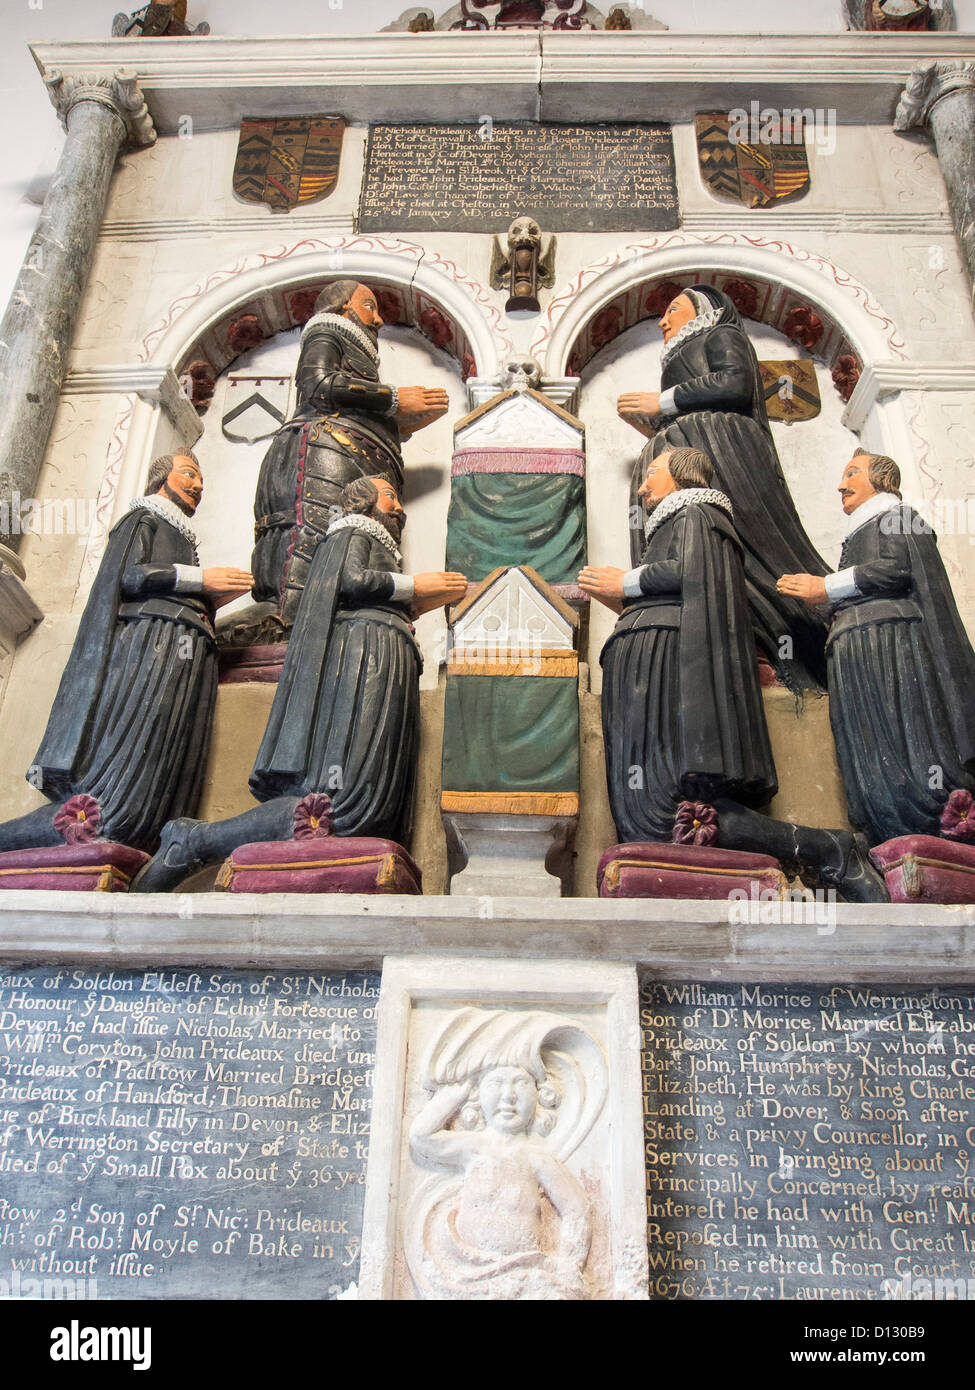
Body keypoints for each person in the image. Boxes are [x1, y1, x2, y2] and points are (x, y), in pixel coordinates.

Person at [580, 447, 886, 902]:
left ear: (682, 477)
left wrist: (625, 582)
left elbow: (692, 574)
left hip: (668, 666)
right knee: (648, 811)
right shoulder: (674, 522)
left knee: (676, 812)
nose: (643, 487)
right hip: (646, 663)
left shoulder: (700, 515)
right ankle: (825, 849)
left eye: (652, 475)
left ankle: (829, 848)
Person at [135, 476, 466, 890]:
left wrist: (414, 602)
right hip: (363, 659)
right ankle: (195, 841)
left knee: (369, 800)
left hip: (384, 659)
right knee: (336, 805)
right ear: (363, 500)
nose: (399, 508)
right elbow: (350, 581)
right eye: (391, 497)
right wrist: (414, 586)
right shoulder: (352, 530)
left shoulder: (377, 541)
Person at [0, 453, 252, 852]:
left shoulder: (181, 535)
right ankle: (92, 817)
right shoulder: (143, 518)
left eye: (201, 478)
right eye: (188, 474)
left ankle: (137, 825)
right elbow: (129, 575)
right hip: (149, 643)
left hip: (183, 649)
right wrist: (200, 579)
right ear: (160, 479)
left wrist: (211, 597)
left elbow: (167, 587)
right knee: (130, 749)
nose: (198, 485)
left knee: (165, 751)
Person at [617, 283, 830, 688]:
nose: (663, 320)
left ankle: (772, 643)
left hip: (724, 446)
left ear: (705, 310)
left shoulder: (720, 334)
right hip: (694, 444)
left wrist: (660, 404)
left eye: (673, 309)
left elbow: (736, 384)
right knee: (680, 549)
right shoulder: (684, 352)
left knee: (737, 545)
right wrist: (657, 426)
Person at [778, 449, 975, 845]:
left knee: (906, 735)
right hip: (857, 650)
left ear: (882, 480)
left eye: (852, 473)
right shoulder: (862, 532)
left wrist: (826, 587)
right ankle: (887, 827)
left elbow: (897, 568)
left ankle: (928, 820)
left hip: (891, 645)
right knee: (868, 748)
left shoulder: (898, 517)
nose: (841, 484)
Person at [251, 279, 448, 627]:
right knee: (318, 532)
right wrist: (393, 398)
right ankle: (296, 625)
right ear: (343, 308)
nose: (378, 320)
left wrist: (401, 423)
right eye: (369, 306)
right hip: (326, 449)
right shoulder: (327, 331)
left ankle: (348, 619)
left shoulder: (356, 348)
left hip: (353, 452)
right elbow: (318, 384)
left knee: (364, 542)